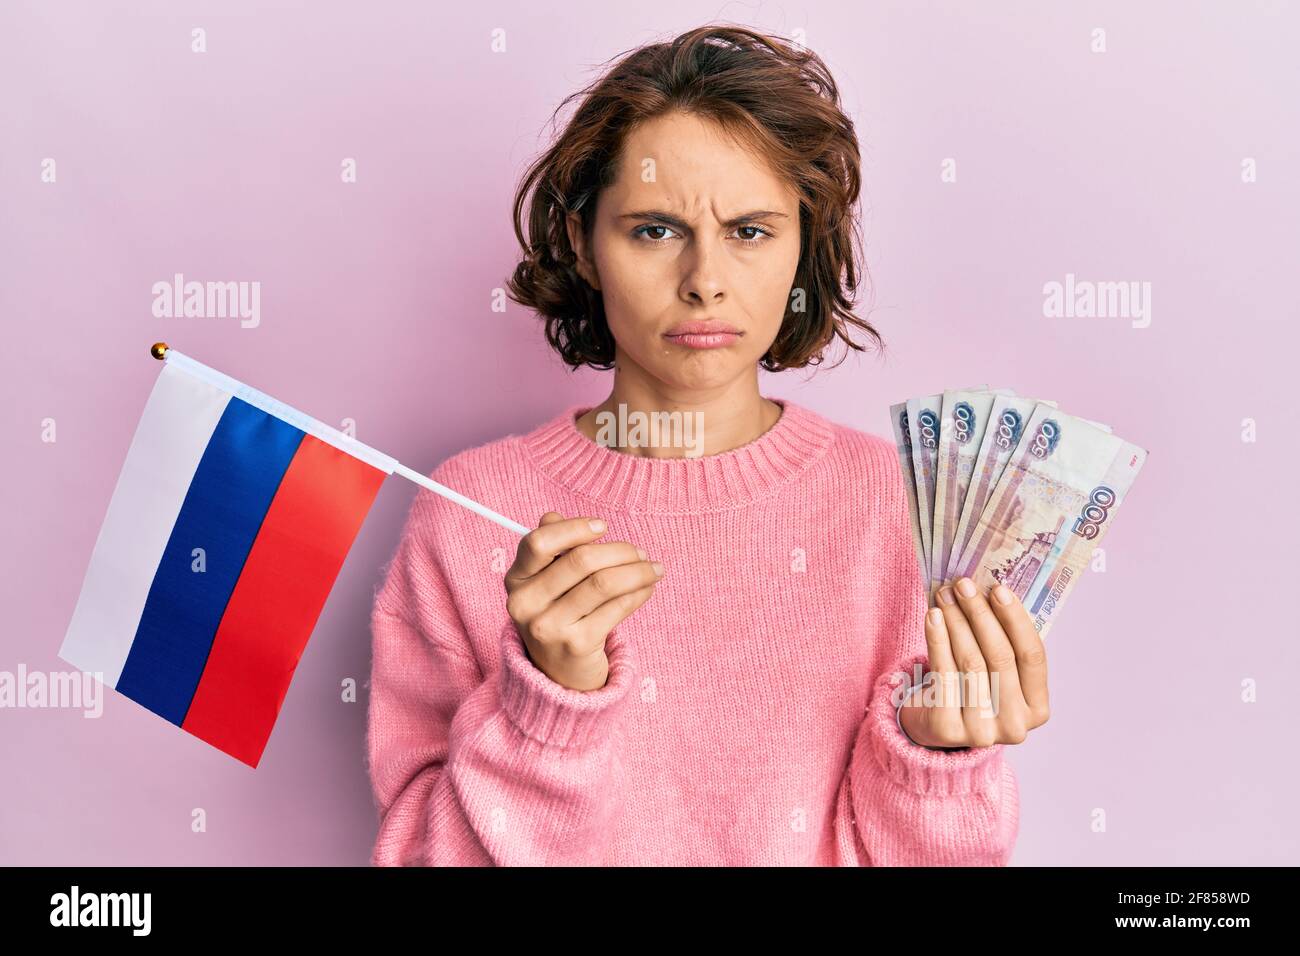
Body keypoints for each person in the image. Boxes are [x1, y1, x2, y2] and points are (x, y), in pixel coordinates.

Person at [365, 24, 1048, 866]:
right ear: (583, 243)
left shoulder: (902, 506)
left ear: (804, 245)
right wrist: (547, 704)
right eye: (654, 230)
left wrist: (932, 765)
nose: (705, 280)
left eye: (751, 231)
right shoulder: (470, 512)